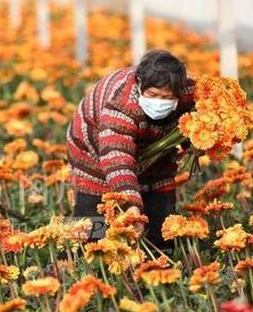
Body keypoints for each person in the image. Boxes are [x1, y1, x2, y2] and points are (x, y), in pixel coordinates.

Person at [66, 49, 195, 250]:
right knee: (90, 230)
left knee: (161, 226)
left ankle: (158, 267)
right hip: (94, 153)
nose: (159, 102)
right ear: (139, 84)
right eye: (152, 95)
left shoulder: (189, 91)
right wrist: (132, 206)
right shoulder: (120, 106)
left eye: (167, 97)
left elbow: (198, 118)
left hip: (154, 154)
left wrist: (197, 142)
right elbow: (118, 163)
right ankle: (73, 262)